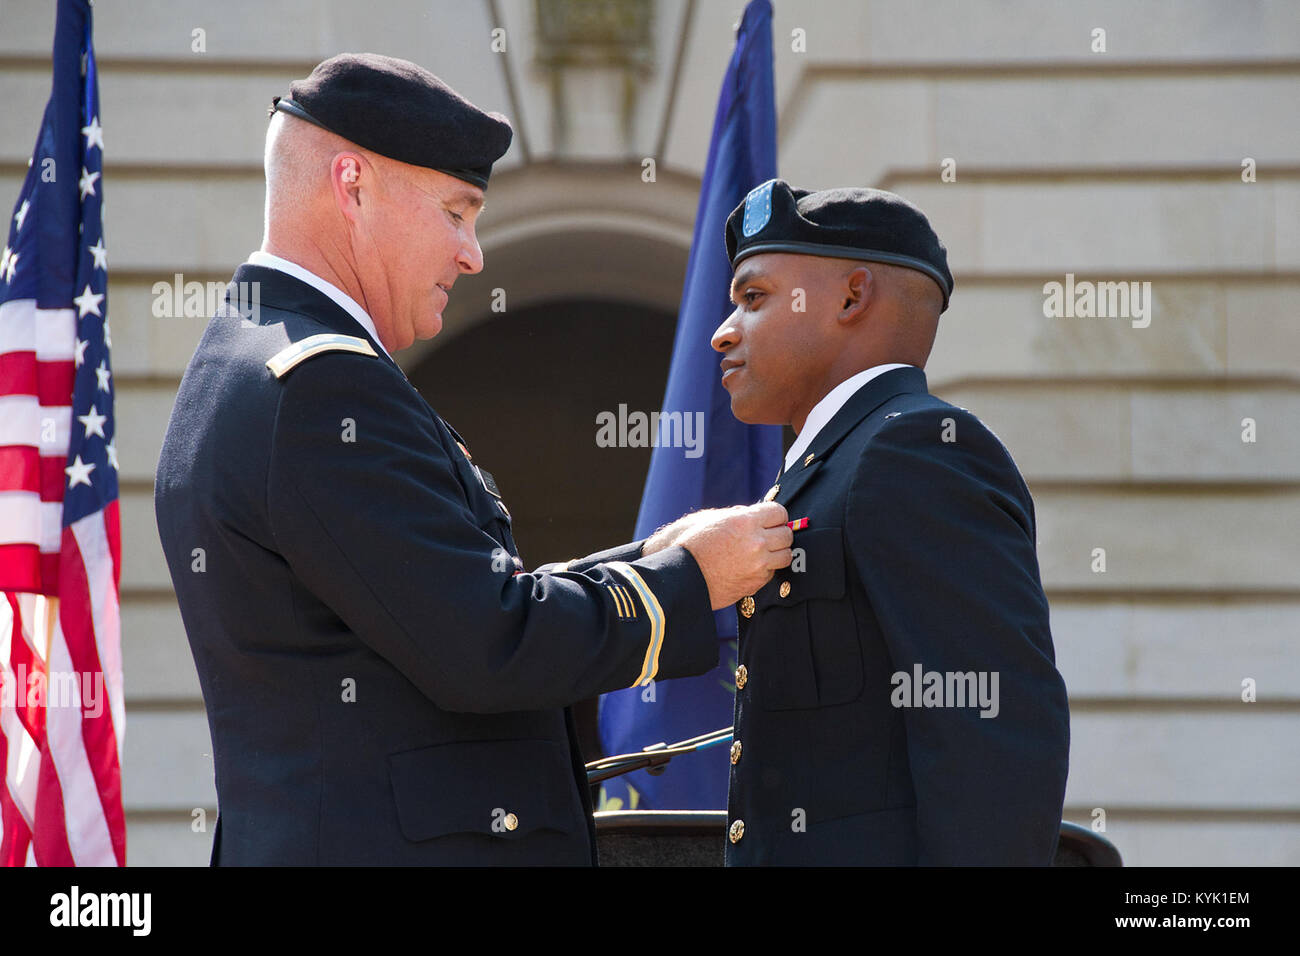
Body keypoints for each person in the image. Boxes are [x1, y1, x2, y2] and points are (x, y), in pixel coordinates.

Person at [153, 54, 792, 866]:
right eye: (458, 211)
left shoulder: (250, 360)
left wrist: (652, 556)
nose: (473, 255)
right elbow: (490, 644)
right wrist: (690, 581)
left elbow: (446, 599)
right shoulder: (324, 386)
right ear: (352, 186)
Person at [712, 179, 1070, 865]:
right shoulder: (829, 467)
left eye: (753, 299)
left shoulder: (917, 450)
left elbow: (992, 738)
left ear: (851, 296)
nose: (722, 332)